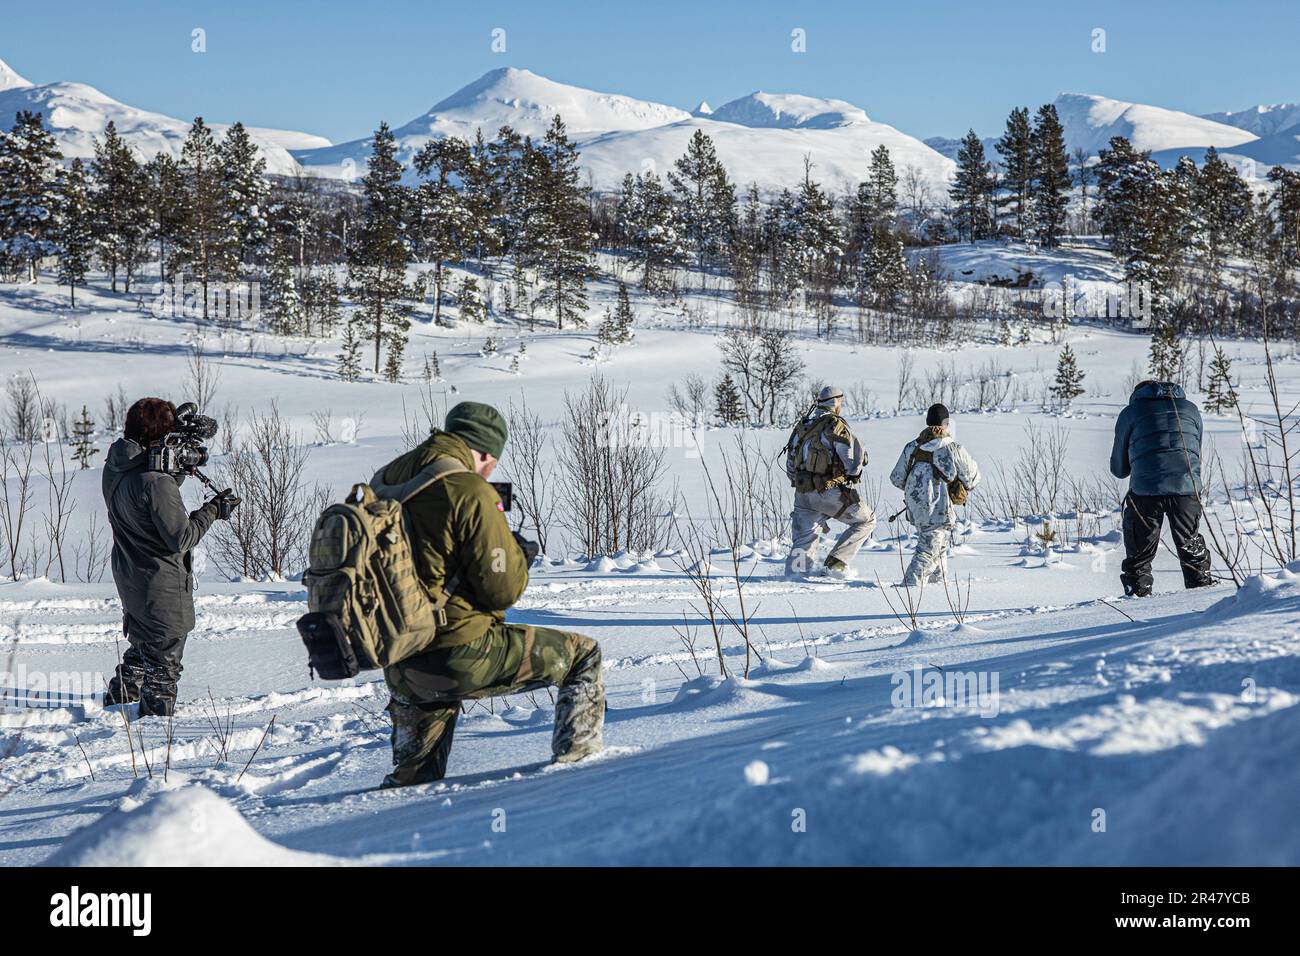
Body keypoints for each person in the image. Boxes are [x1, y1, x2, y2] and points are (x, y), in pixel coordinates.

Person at [375, 401, 605, 788]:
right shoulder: (469, 488)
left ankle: (399, 816)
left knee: (413, 787)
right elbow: (502, 589)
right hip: (458, 654)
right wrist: (518, 556)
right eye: (492, 462)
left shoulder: (386, 479)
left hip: (400, 661)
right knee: (583, 656)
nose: (490, 471)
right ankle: (578, 774)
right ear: (482, 450)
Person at [103, 398, 237, 715]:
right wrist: (214, 510)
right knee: (163, 669)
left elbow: (149, 497)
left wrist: (172, 467)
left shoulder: (117, 466)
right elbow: (182, 537)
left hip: (132, 579)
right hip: (161, 587)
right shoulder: (155, 482)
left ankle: (113, 710)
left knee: (143, 648)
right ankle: (151, 736)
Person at [1109, 380, 1213, 596]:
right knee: (1190, 547)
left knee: (1139, 555)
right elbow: (1195, 450)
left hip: (1146, 490)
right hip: (1187, 487)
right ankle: (1202, 600)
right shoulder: (1191, 409)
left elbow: (1119, 469)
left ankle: (1138, 598)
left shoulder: (1131, 412)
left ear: (1137, 395)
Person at [783, 385, 876, 578]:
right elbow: (852, 464)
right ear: (836, 403)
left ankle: (794, 576)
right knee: (866, 520)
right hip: (829, 493)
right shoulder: (836, 426)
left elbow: (790, 463)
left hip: (802, 493)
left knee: (804, 539)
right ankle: (836, 563)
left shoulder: (802, 427)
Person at [889, 403, 981, 588]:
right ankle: (909, 588)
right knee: (928, 549)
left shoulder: (912, 447)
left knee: (939, 543)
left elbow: (897, 478)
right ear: (946, 423)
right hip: (939, 506)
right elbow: (972, 479)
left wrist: (917, 492)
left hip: (915, 506)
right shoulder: (953, 448)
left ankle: (938, 583)